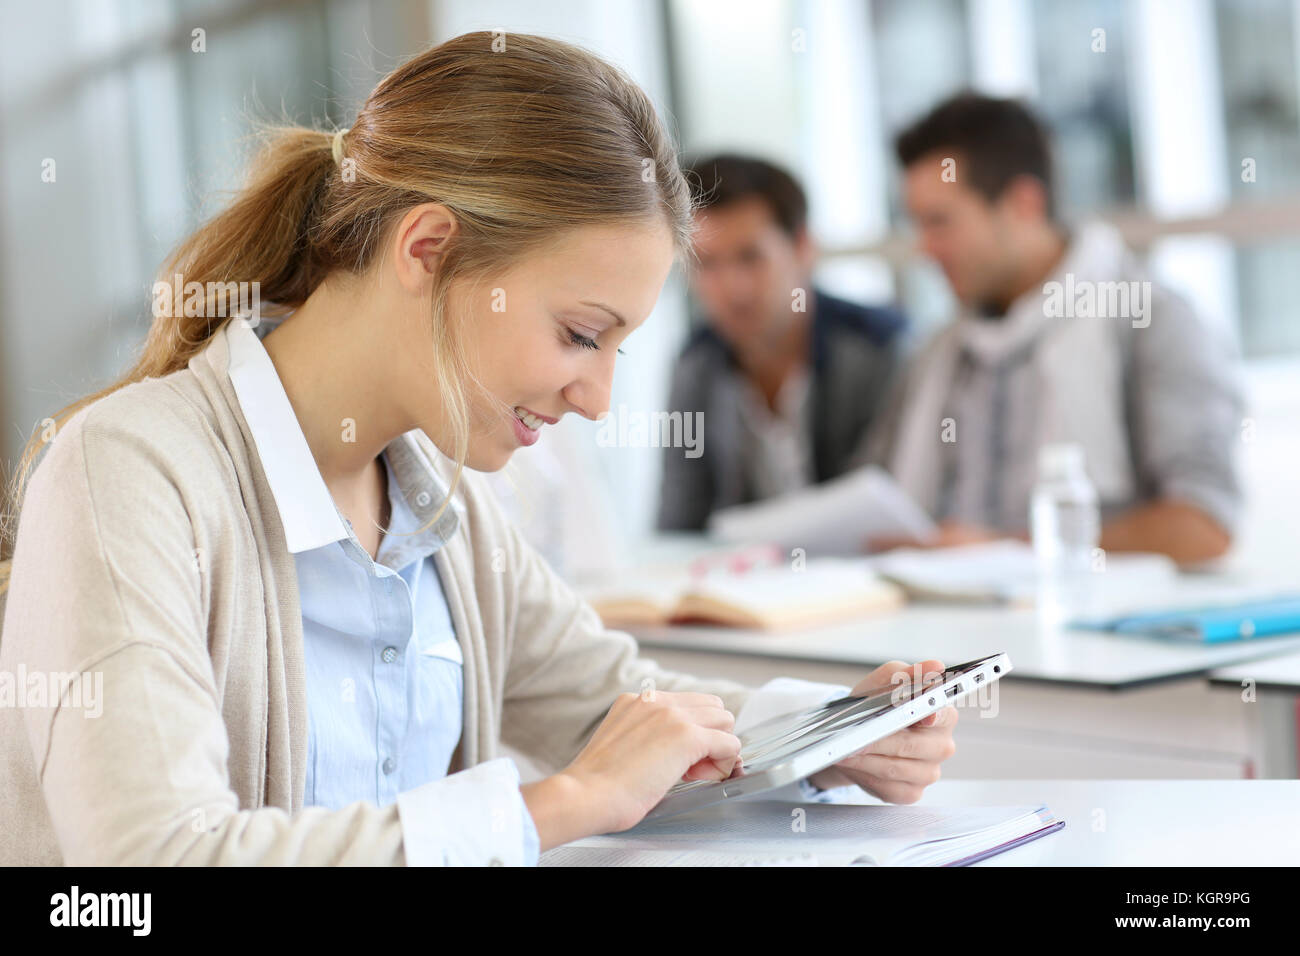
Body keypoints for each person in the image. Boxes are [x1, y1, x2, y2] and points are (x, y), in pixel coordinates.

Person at [0, 32, 955, 866]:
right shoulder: (126, 474)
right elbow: (150, 863)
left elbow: (613, 705)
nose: (596, 397)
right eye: (582, 334)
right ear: (427, 249)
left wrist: (828, 732)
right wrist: (562, 805)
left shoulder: (440, 504)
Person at [868, 93, 1242, 564]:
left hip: (1083, 621)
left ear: (1024, 203)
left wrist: (1006, 552)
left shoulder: (1152, 321)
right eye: (917, 225)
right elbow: (876, 492)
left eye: (940, 222)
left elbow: (1202, 529)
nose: (925, 248)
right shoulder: (941, 349)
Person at [656, 154, 907, 532]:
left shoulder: (880, 350)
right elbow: (679, 523)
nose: (732, 289)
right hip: (750, 580)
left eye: (750, 257)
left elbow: (893, 508)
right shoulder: (696, 364)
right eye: (707, 264)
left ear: (803, 248)